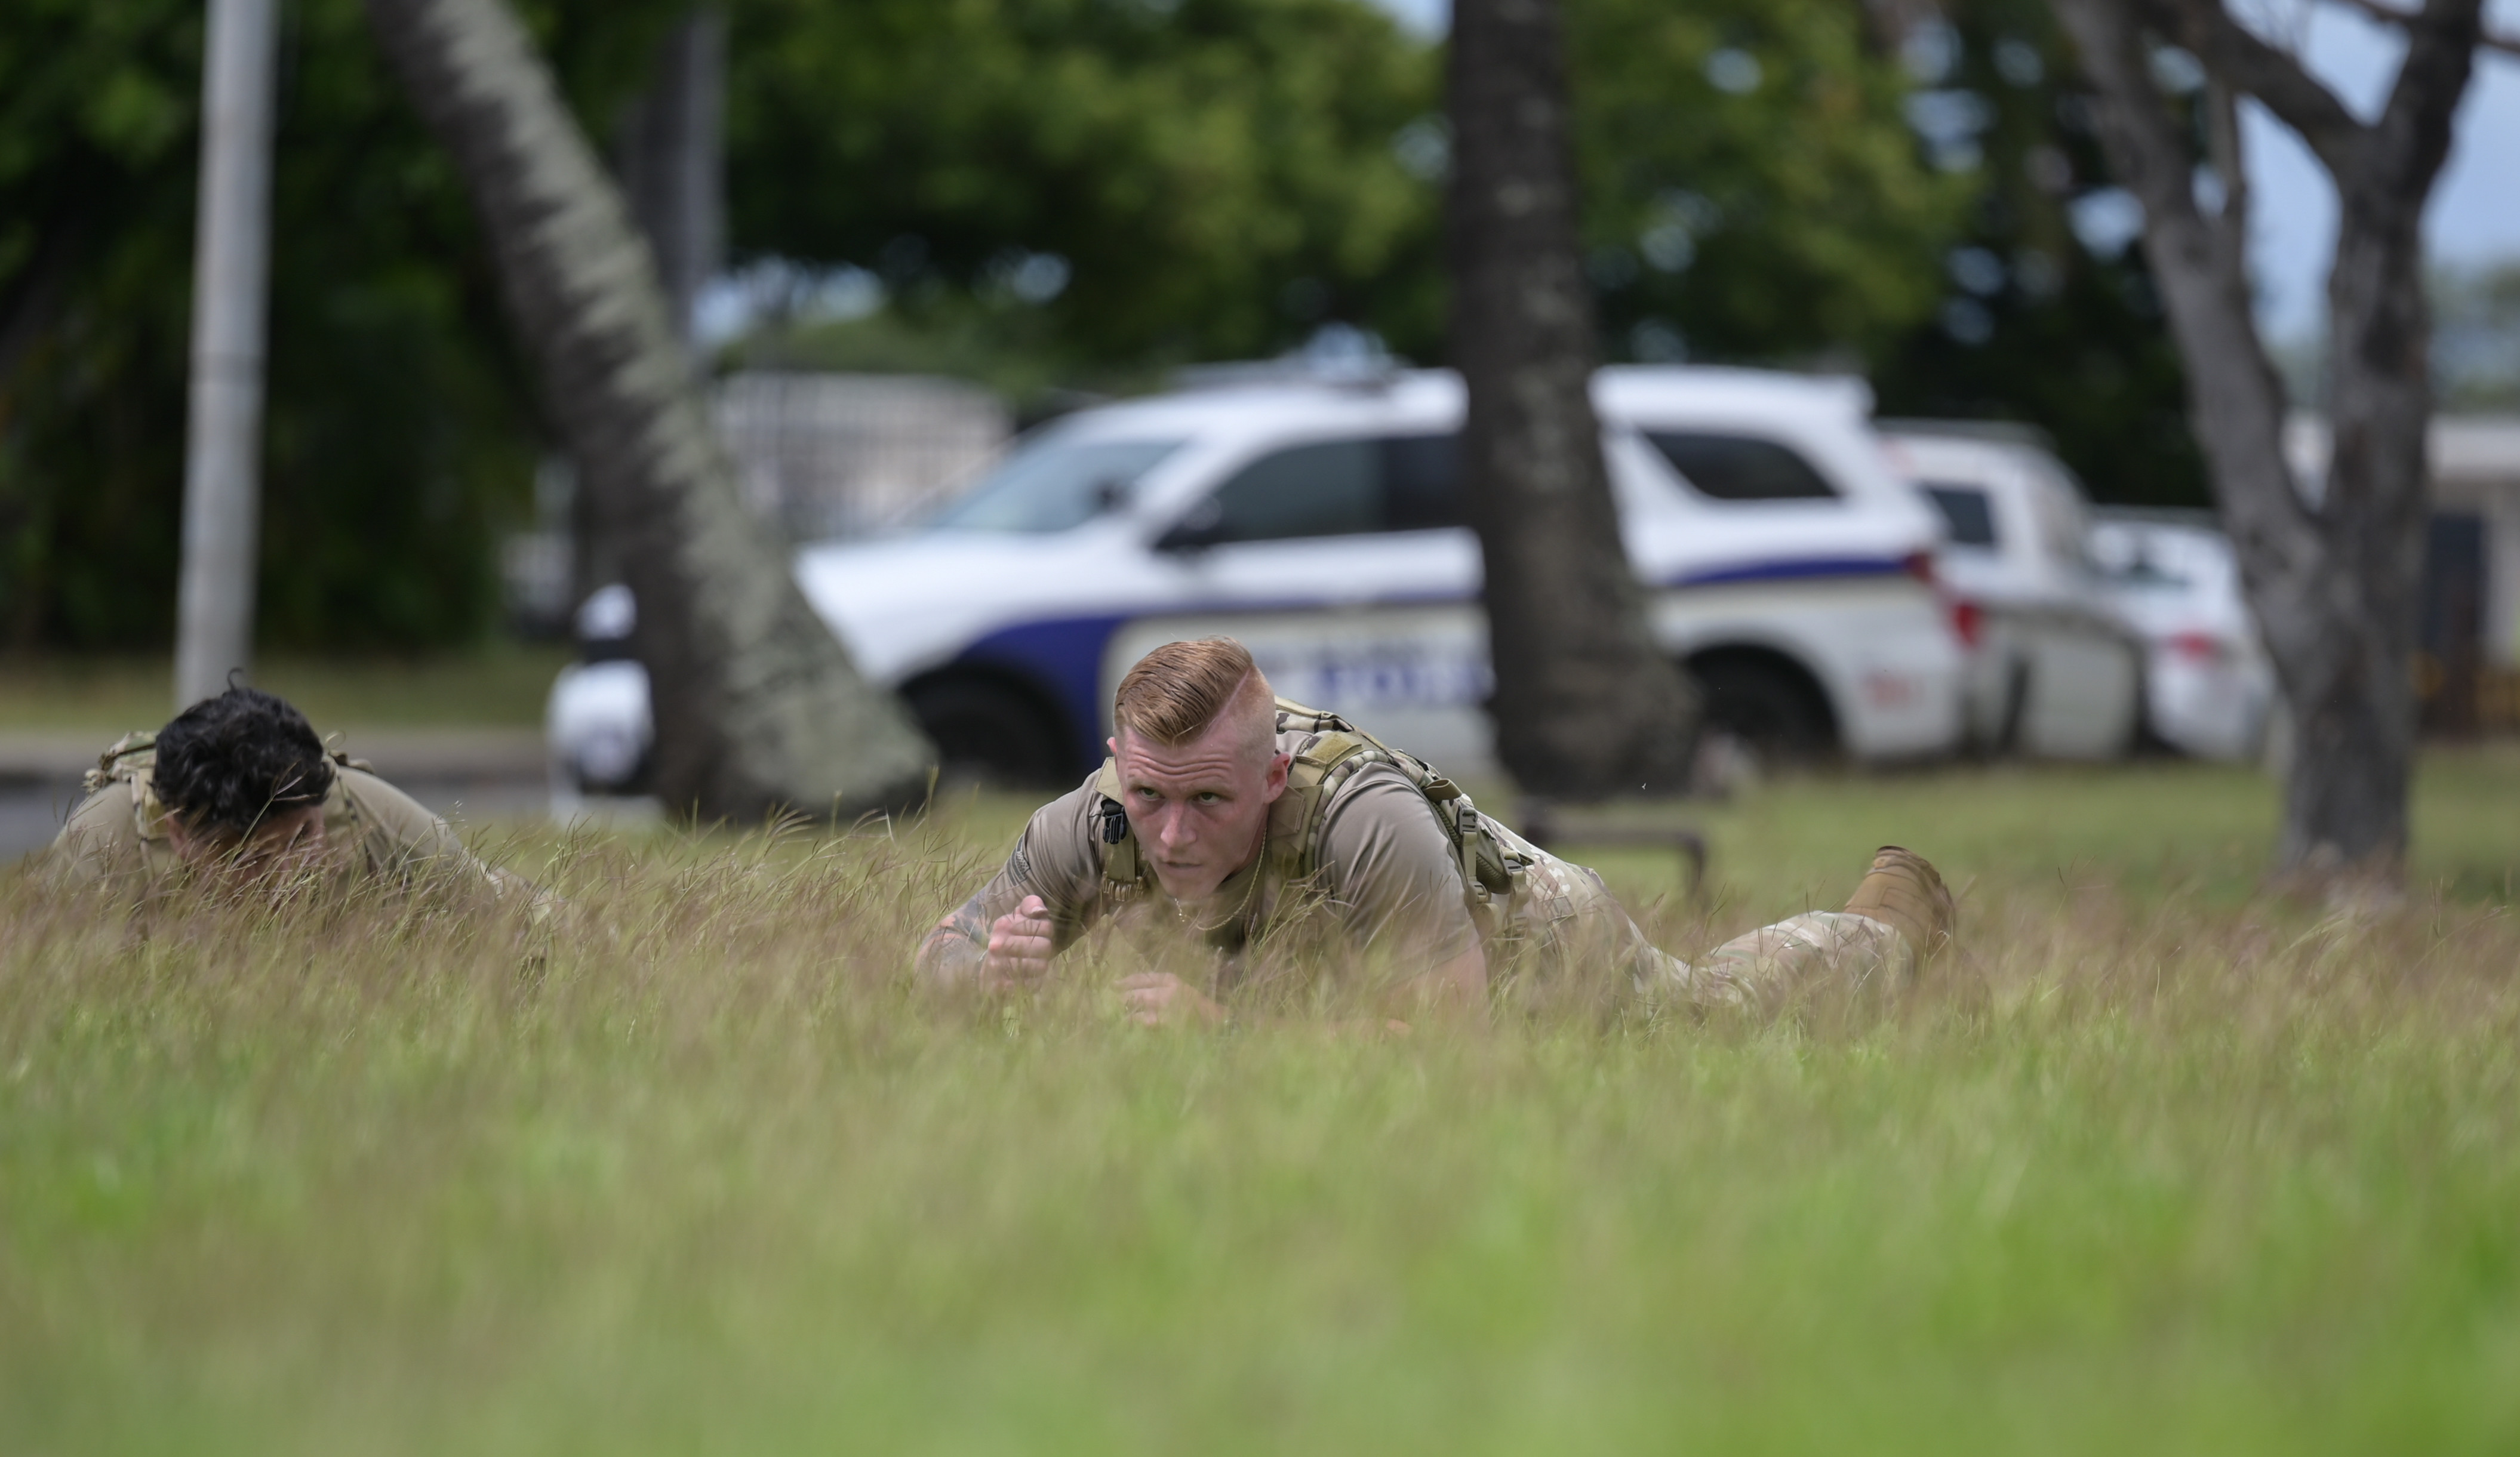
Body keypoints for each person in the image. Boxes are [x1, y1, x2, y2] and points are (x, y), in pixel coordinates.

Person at [916, 636, 1952, 1025]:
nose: (1173, 835)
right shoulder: (1092, 821)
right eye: (1152, 798)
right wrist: (990, 975)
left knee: (1713, 1023)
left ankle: (1895, 919)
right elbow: (940, 954)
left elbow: (1442, 1044)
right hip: (1327, 974)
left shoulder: (1363, 818)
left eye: (1211, 802)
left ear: (1271, 773)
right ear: (1119, 761)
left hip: (1527, 943)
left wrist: (1222, 1038)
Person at [50, 684, 534, 901]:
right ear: (177, 833)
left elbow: (521, 933)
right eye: (248, 858)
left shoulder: (377, 819)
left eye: (302, 838)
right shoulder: (96, 852)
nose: (285, 877)